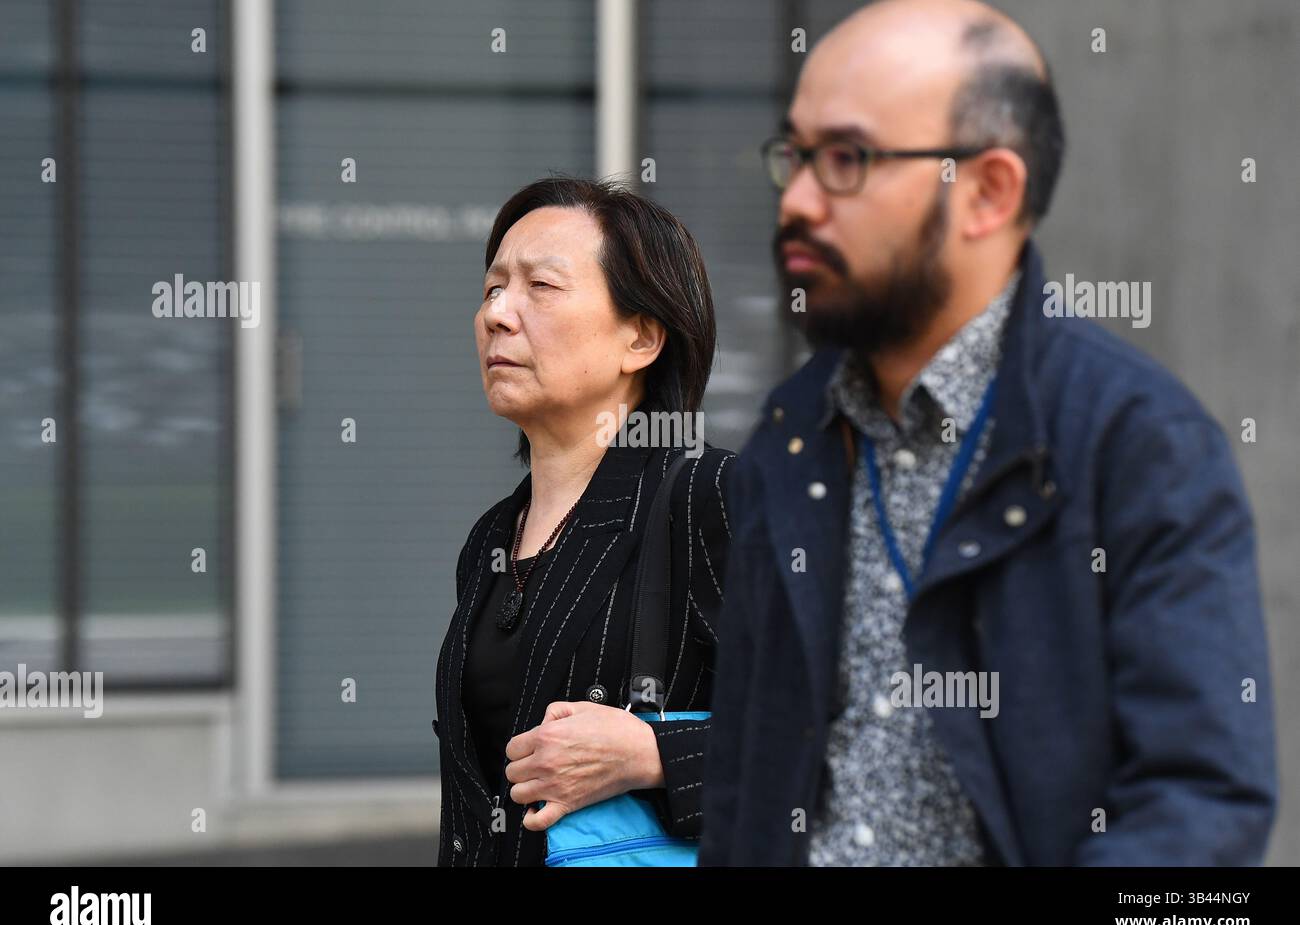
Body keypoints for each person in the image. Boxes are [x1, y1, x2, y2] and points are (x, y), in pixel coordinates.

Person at [699, 0, 1276, 866]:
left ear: (988, 191)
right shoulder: (790, 433)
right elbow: (743, 781)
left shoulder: (1138, 442)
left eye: (847, 160)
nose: (800, 200)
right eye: (796, 155)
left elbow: (1205, 811)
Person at [433, 176, 735, 866]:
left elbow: (849, 734)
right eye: (491, 288)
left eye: (541, 287)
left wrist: (657, 754)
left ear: (643, 338)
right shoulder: (491, 539)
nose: (498, 314)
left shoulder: (710, 496)